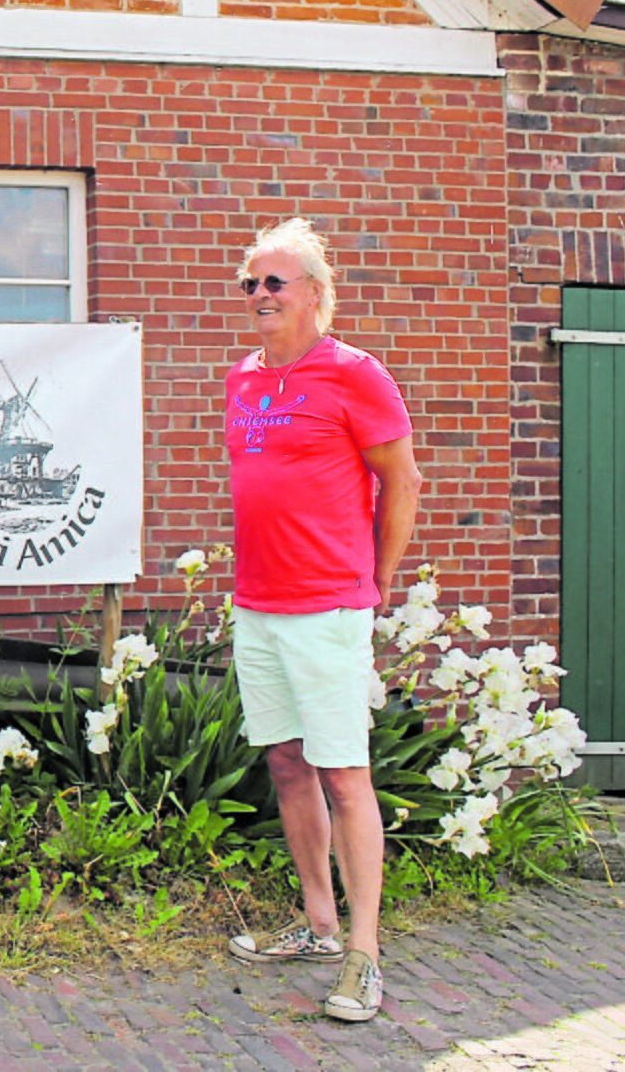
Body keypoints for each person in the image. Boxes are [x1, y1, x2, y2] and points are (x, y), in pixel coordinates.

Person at [221, 217, 421, 1023]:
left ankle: (364, 958)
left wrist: (375, 579)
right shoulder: (241, 378)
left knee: (344, 774)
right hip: (258, 607)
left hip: (329, 607)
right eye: (250, 284)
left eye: (274, 282)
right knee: (287, 764)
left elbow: (402, 482)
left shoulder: (356, 375)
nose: (260, 296)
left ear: (313, 292)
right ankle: (316, 925)